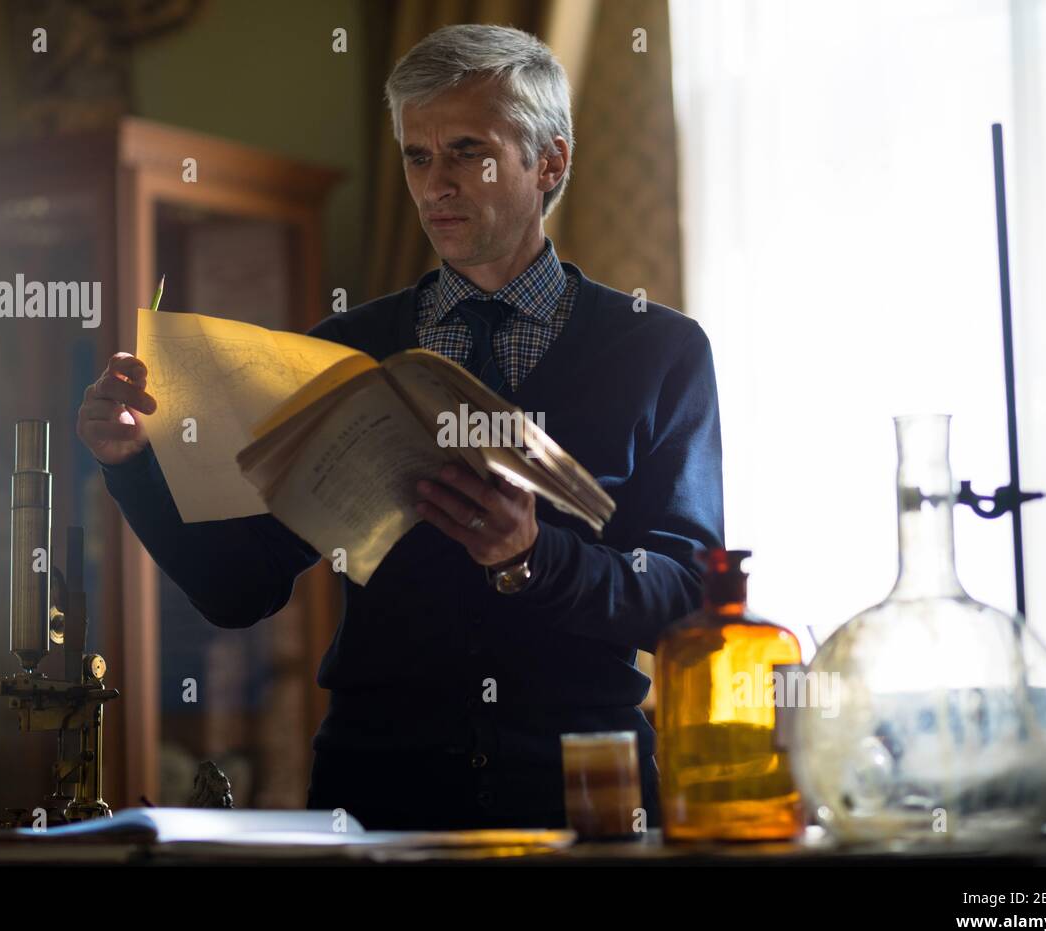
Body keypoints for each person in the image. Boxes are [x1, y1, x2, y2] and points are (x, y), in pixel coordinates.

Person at [77, 23, 723, 832]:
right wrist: (133, 464)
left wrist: (534, 558)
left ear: (549, 162)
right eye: (417, 157)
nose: (434, 185)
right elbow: (239, 589)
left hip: (584, 796)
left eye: (465, 152)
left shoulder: (659, 350)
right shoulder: (344, 349)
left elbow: (692, 605)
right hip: (375, 796)